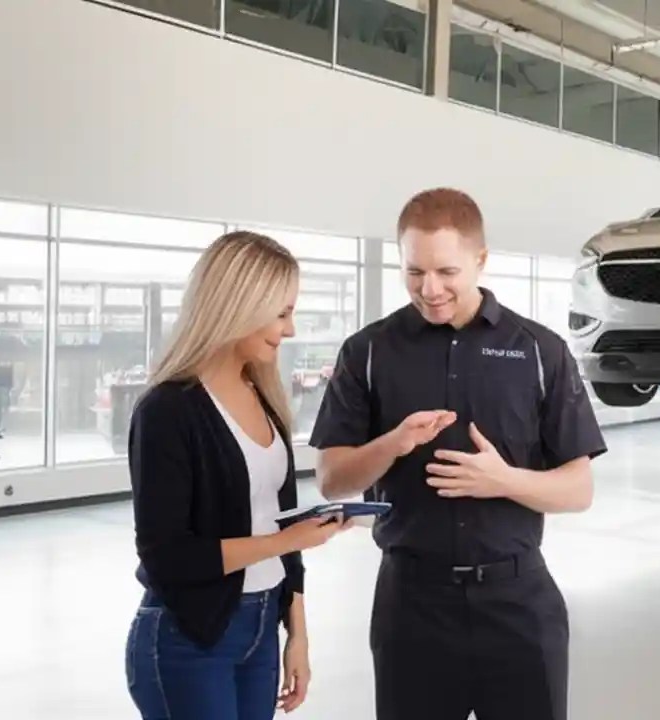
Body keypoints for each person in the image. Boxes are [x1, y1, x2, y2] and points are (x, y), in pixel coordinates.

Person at [310, 187, 607, 720]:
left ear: (481, 260)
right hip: (411, 606)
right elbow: (332, 481)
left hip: (519, 604)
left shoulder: (540, 351)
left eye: (447, 272)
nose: (430, 289)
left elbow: (578, 490)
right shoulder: (368, 352)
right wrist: (394, 442)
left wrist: (504, 480)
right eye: (414, 272)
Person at [124, 231, 357, 720]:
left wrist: (298, 632)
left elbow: (281, 520)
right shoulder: (167, 410)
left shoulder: (265, 398)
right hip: (189, 637)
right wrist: (288, 539)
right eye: (281, 313)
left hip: (260, 629)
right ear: (239, 305)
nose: (290, 329)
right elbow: (167, 556)